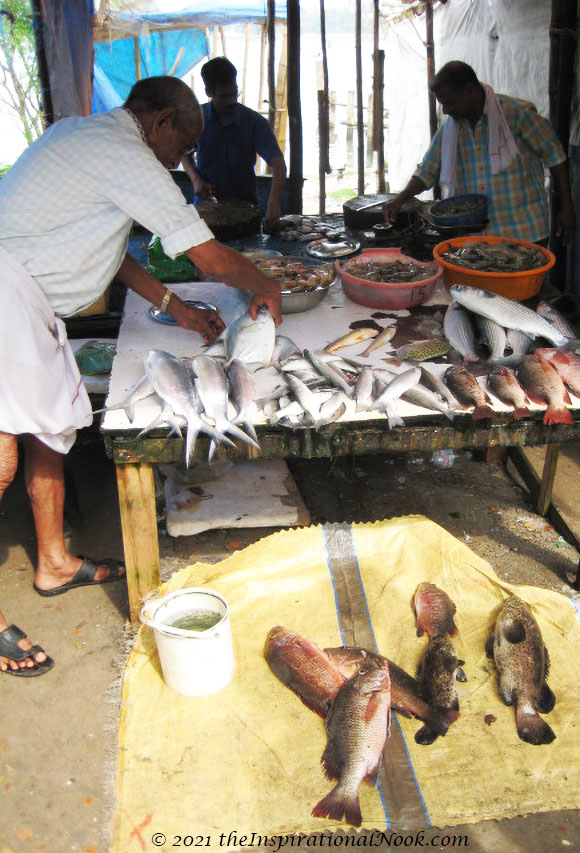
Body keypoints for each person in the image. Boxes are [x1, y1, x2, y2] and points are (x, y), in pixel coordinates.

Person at [0, 76, 282, 670]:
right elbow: (207, 256)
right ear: (160, 123)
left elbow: (108, 251)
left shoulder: (90, 137)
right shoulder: (125, 152)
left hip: (27, 304)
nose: (182, 160)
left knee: (48, 434)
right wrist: (267, 285)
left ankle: (53, 562)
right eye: (183, 145)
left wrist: (176, 306)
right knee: (1, 458)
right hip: (4, 297)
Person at [384, 61, 576, 245]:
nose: (446, 110)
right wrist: (399, 200)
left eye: (449, 102)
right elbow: (427, 171)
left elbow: (554, 153)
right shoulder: (449, 130)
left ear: (469, 90)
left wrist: (567, 206)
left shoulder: (515, 114)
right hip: (476, 240)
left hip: (524, 232)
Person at [181, 57, 287, 230]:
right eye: (224, 96)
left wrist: (274, 201)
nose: (232, 101)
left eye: (234, 94)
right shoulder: (196, 119)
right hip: (205, 210)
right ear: (209, 92)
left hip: (245, 211)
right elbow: (182, 152)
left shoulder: (254, 122)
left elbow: (278, 164)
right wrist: (196, 180)